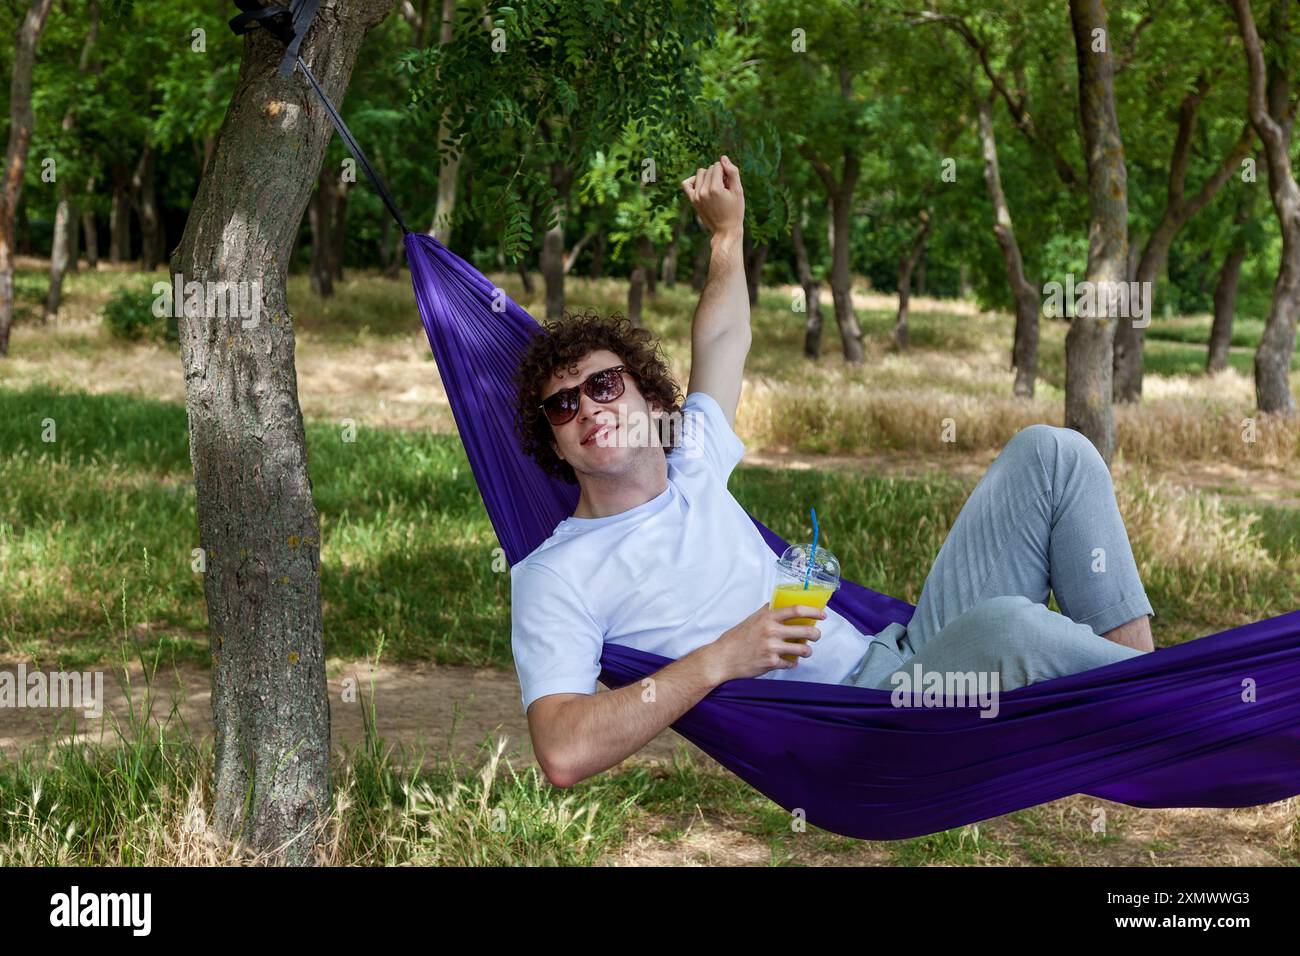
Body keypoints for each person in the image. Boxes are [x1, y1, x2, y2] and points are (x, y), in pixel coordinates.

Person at [508, 155, 1155, 789]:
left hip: (903, 659)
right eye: (563, 405)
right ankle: (1170, 713)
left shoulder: (691, 468)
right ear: (554, 443)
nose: (589, 408)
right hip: (865, 736)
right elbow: (563, 750)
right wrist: (719, 660)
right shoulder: (555, 574)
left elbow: (723, 339)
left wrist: (727, 234)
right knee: (1007, 627)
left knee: (1053, 454)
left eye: (604, 384)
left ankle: (1151, 694)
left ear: (649, 400)